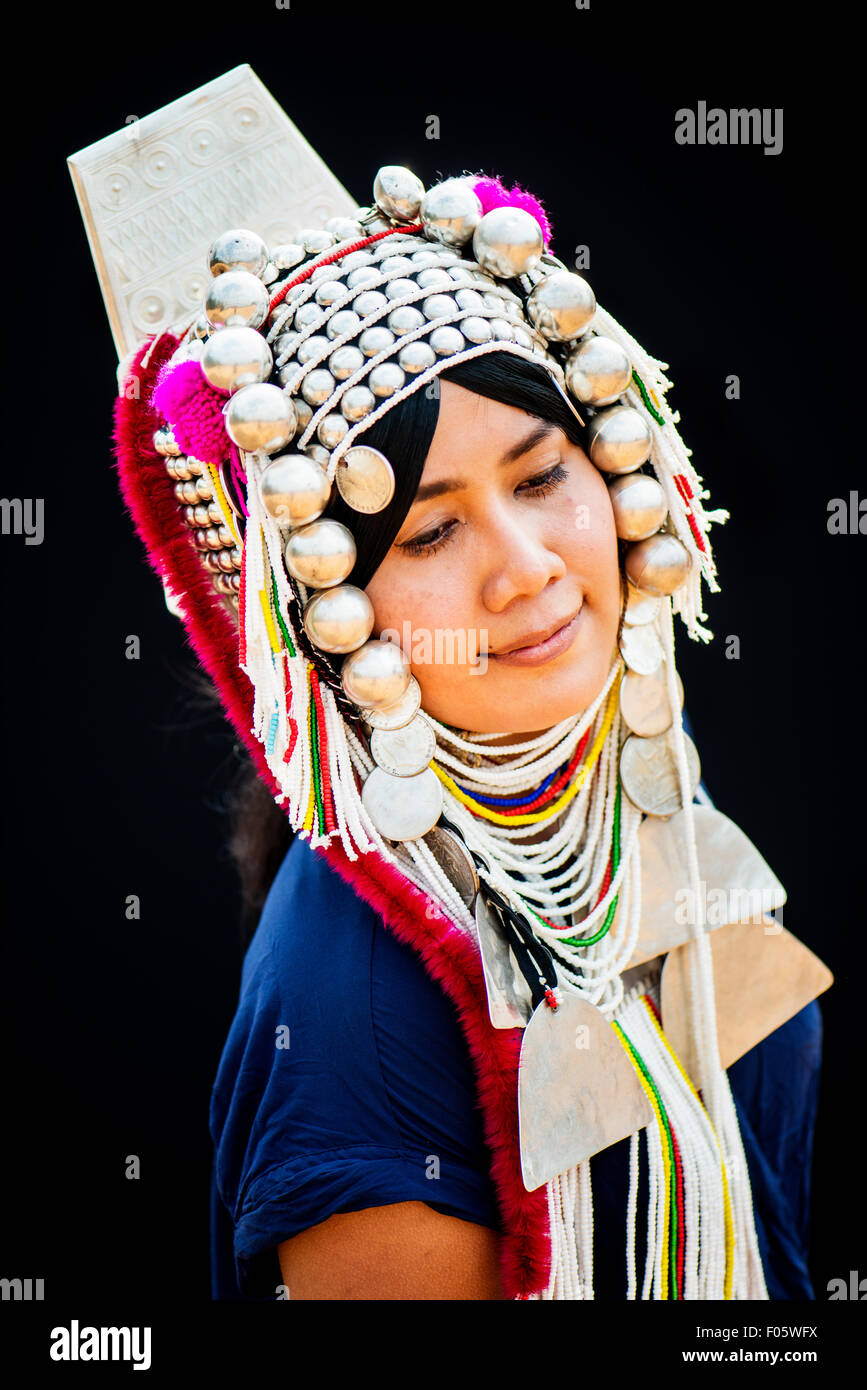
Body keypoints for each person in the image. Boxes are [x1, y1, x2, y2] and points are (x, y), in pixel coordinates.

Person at [108, 159, 830, 1301]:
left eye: (543, 474)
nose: (528, 567)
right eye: (432, 535)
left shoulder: (624, 802)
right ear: (320, 615)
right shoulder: (354, 1025)